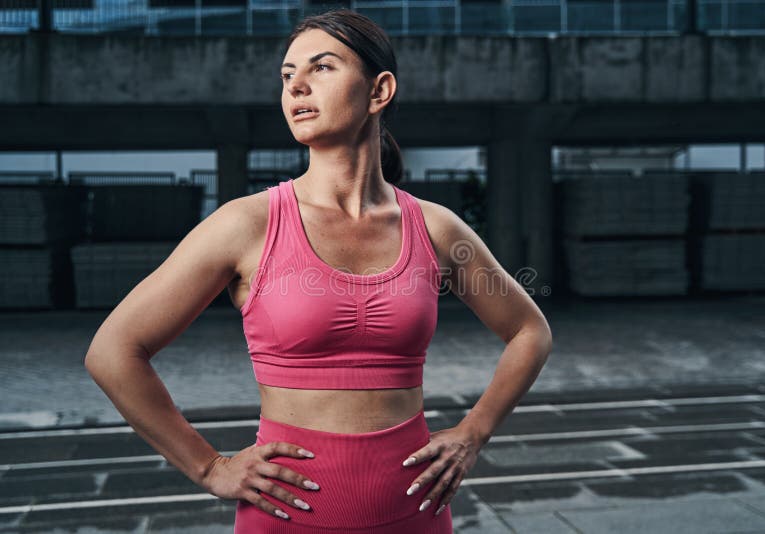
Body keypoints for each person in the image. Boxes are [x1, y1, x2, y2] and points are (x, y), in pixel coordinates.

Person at [84, 8, 553, 533]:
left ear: (379, 91)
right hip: (286, 517)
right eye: (287, 76)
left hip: (416, 513)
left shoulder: (437, 229)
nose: (297, 87)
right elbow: (113, 351)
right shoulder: (245, 224)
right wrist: (209, 466)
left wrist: (475, 431)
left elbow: (529, 329)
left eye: (322, 68)